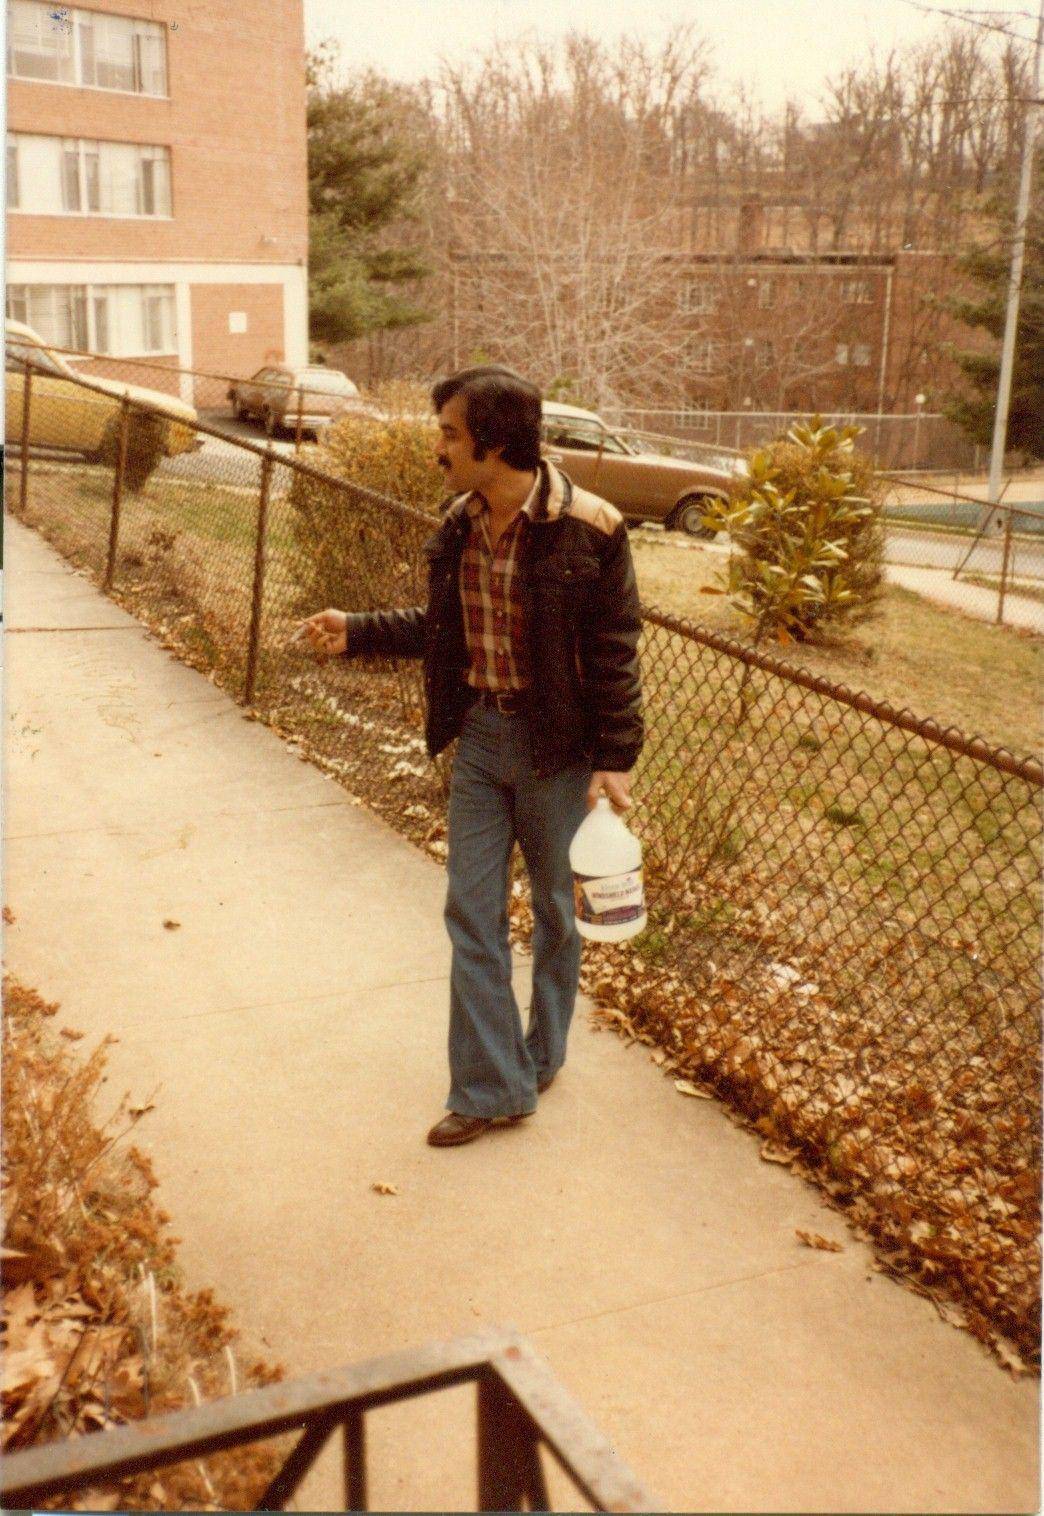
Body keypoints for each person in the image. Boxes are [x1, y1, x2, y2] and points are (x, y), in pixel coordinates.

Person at [301, 366, 643, 1147]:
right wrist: (356, 629)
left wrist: (616, 756)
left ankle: (540, 1052)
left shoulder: (590, 528)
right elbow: (445, 626)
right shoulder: (460, 522)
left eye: (451, 433)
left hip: (559, 751)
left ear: (494, 441)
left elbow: (615, 648)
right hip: (483, 742)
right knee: (471, 910)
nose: (440, 448)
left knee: (559, 912)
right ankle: (492, 1086)